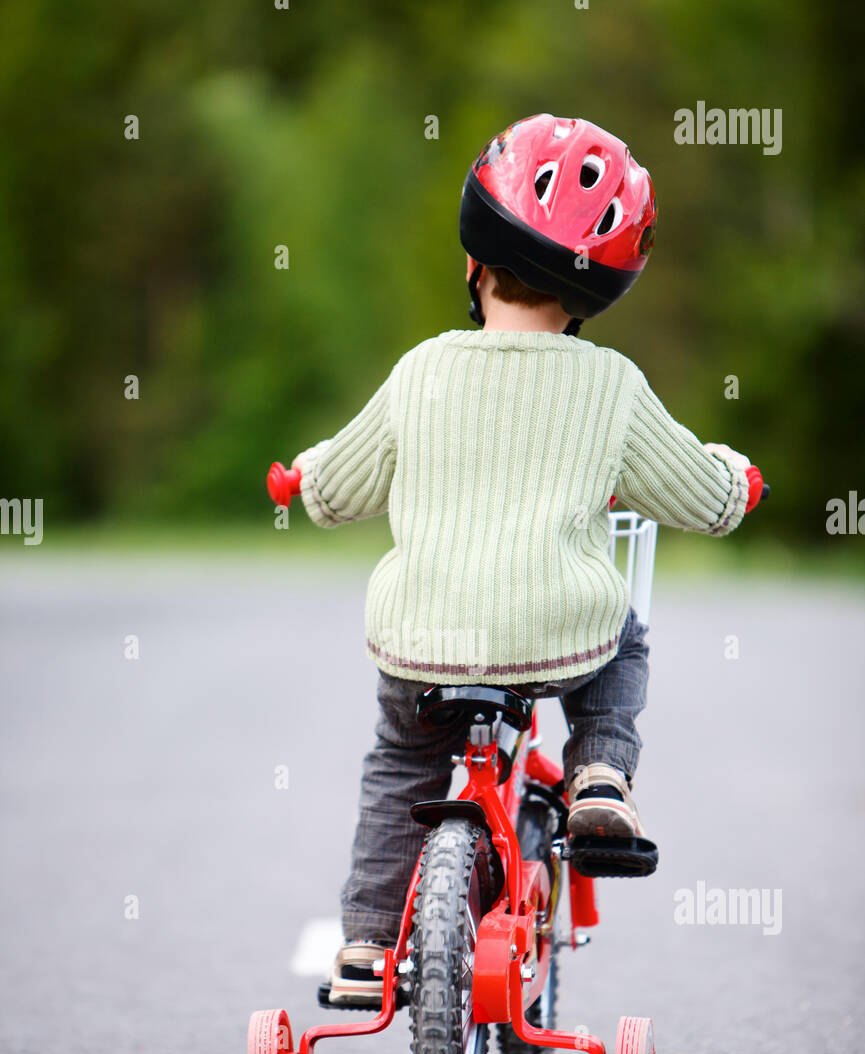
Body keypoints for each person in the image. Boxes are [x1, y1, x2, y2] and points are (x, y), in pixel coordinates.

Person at [268, 115, 766, 1006]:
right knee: (624, 636)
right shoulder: (609, 386)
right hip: (553, 639)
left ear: (473, 261)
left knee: (399, 766)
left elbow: (337, 488)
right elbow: (702, 496)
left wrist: (300, 477)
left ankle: (367, 949)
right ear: (595, 296)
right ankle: (601, 772)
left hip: (420, 642)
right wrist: (738, 480)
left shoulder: (420, 371)